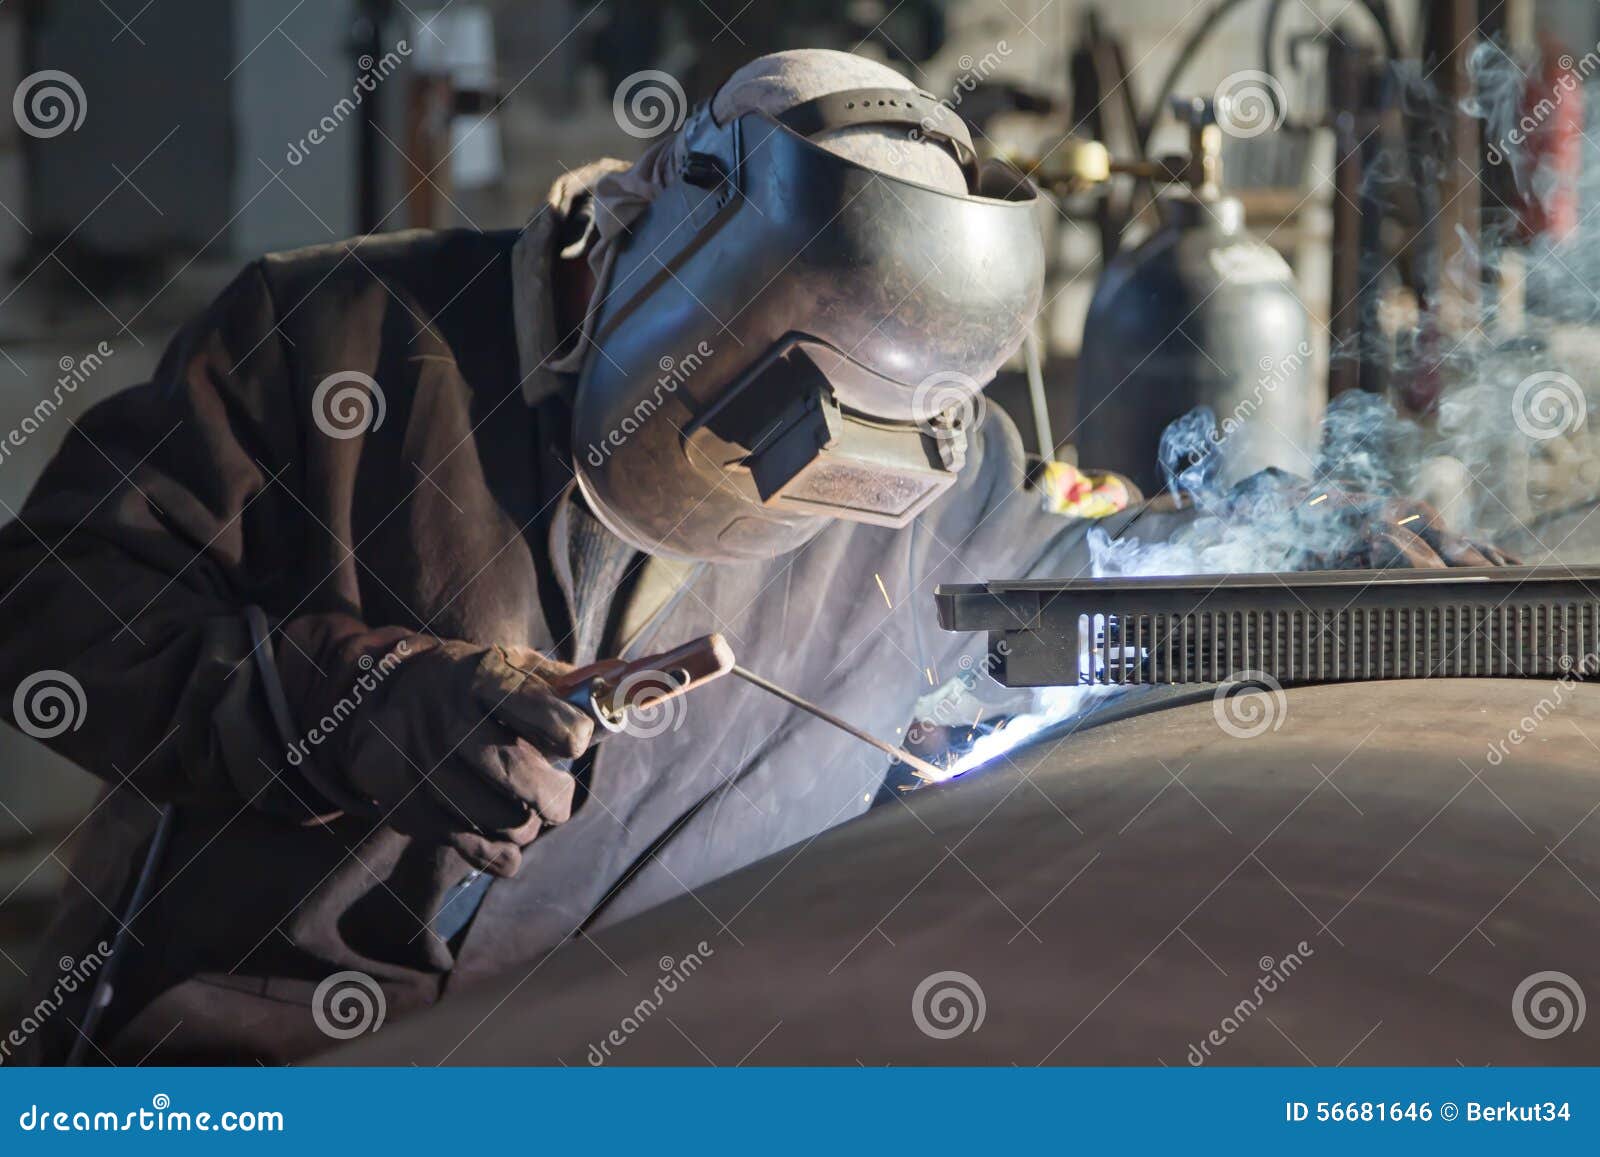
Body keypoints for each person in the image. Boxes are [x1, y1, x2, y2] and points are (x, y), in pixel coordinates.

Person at [0, 50, 1506, 1064]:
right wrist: (365, 706)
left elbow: (1099, 591)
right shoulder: (339, 340)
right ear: (666, 238)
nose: (820, 479)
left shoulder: (949, 476)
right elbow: (52, 609)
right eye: (784, 404)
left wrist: (1318, 562)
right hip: (242, 1064)